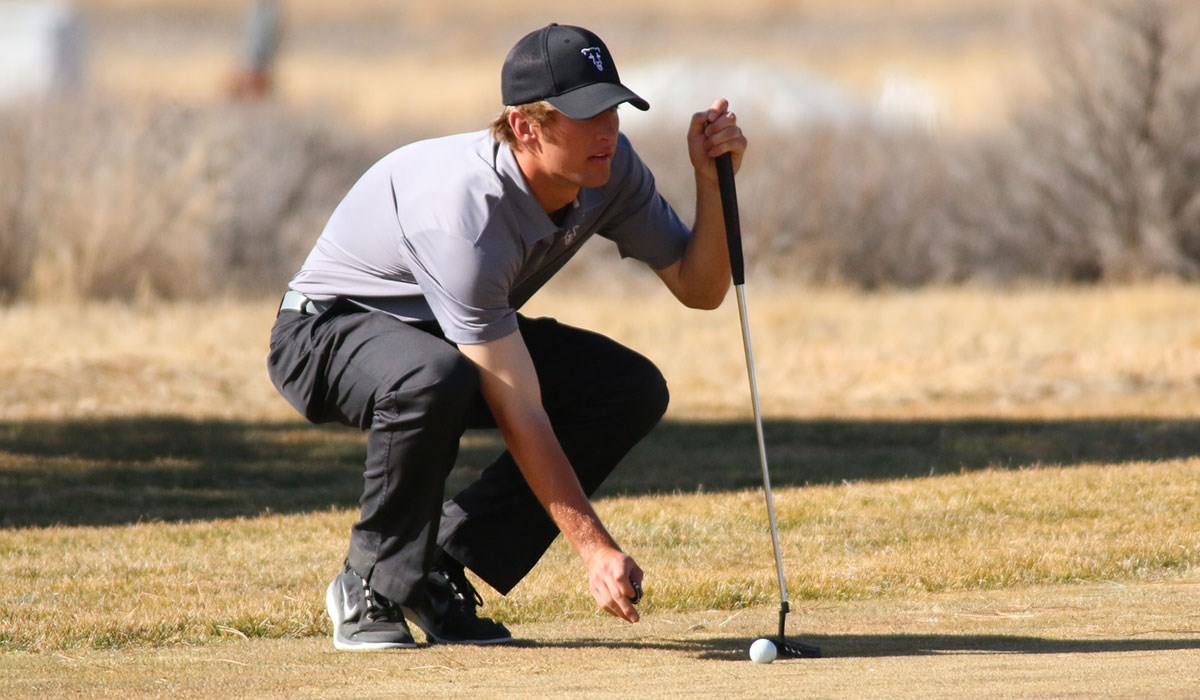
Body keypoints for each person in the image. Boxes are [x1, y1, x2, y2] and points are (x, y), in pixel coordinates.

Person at [267, 23, 746, 650]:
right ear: (525, 126)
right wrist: (595, 549)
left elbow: (700, 286)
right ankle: (370, 581)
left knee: (626, 389)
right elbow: (520, 408)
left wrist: (712, 185)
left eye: (612, 109)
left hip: (442, 337)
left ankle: (434, 566)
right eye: (584, 115)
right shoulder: (464, 215)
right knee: (433, 377)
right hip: (324, 332)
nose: (606, 130)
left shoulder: (610, 170)